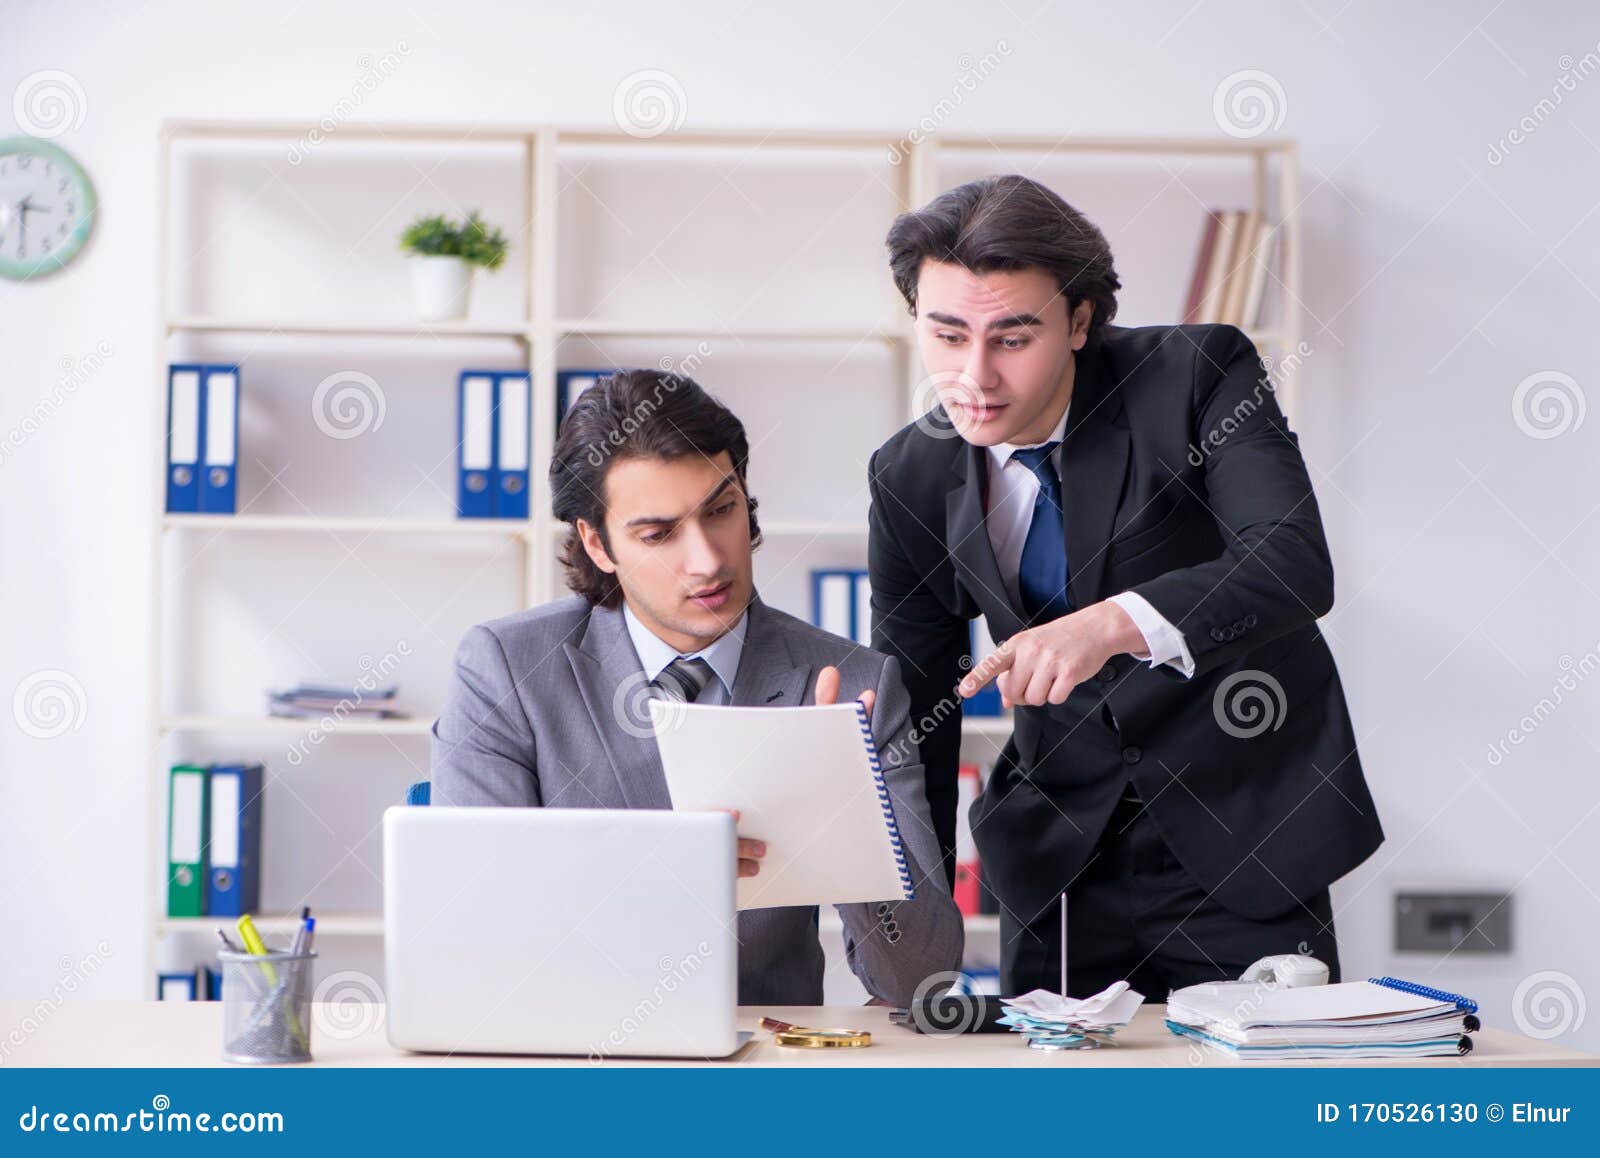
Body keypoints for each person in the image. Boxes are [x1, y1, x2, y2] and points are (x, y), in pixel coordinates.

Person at [866, 174, 1383, 996]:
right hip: (1060, 861)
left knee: (1253, 1114)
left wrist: (1109, 623)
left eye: (1012, 336)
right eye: (947, 334)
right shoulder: (910, 474)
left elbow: (1290, 558)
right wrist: (912, 923)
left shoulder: (1194, 374)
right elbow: (915, 706)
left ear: (1078, 321)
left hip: (1242, 838)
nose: (974, 375)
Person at [432, 368, 963, 1005]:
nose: (708, 559)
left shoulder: (852, 684)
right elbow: (478, 928)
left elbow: (920, 978)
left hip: (762, 1069)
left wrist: (843, 806)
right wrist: (662, 869)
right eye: (658, 535)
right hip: (566, 1048)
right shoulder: (507, 670)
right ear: (597, 543)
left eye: (721, 511)